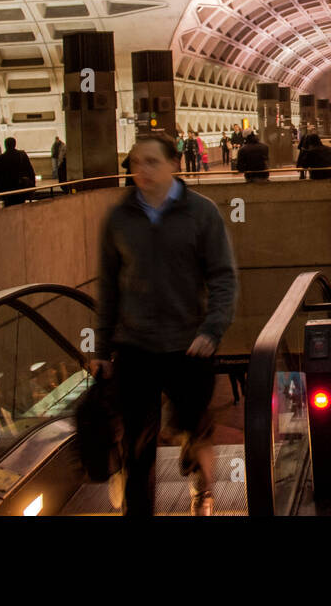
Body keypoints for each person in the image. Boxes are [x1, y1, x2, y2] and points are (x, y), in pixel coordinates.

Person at [90, 134, 239, 516]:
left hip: (188, 346)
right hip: (135, 347)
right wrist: (102, 351)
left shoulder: (201, 213)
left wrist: (212, 330)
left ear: (174, 163)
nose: (142, 170)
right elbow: (108, 288)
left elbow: (223, 276)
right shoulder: (118, 218)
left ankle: (204, 489)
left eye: (152, 161)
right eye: (136, 163)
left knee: (195, 428)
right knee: (137, 446)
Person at [0, 137, 36, 207]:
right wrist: (33, 187)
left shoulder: (0, 159)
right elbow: (30, 171)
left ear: (5, 145)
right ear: (15, 144)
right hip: (20, 188)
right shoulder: (22, 155)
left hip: (7, 190)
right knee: (21, 207)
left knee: (9, 209)